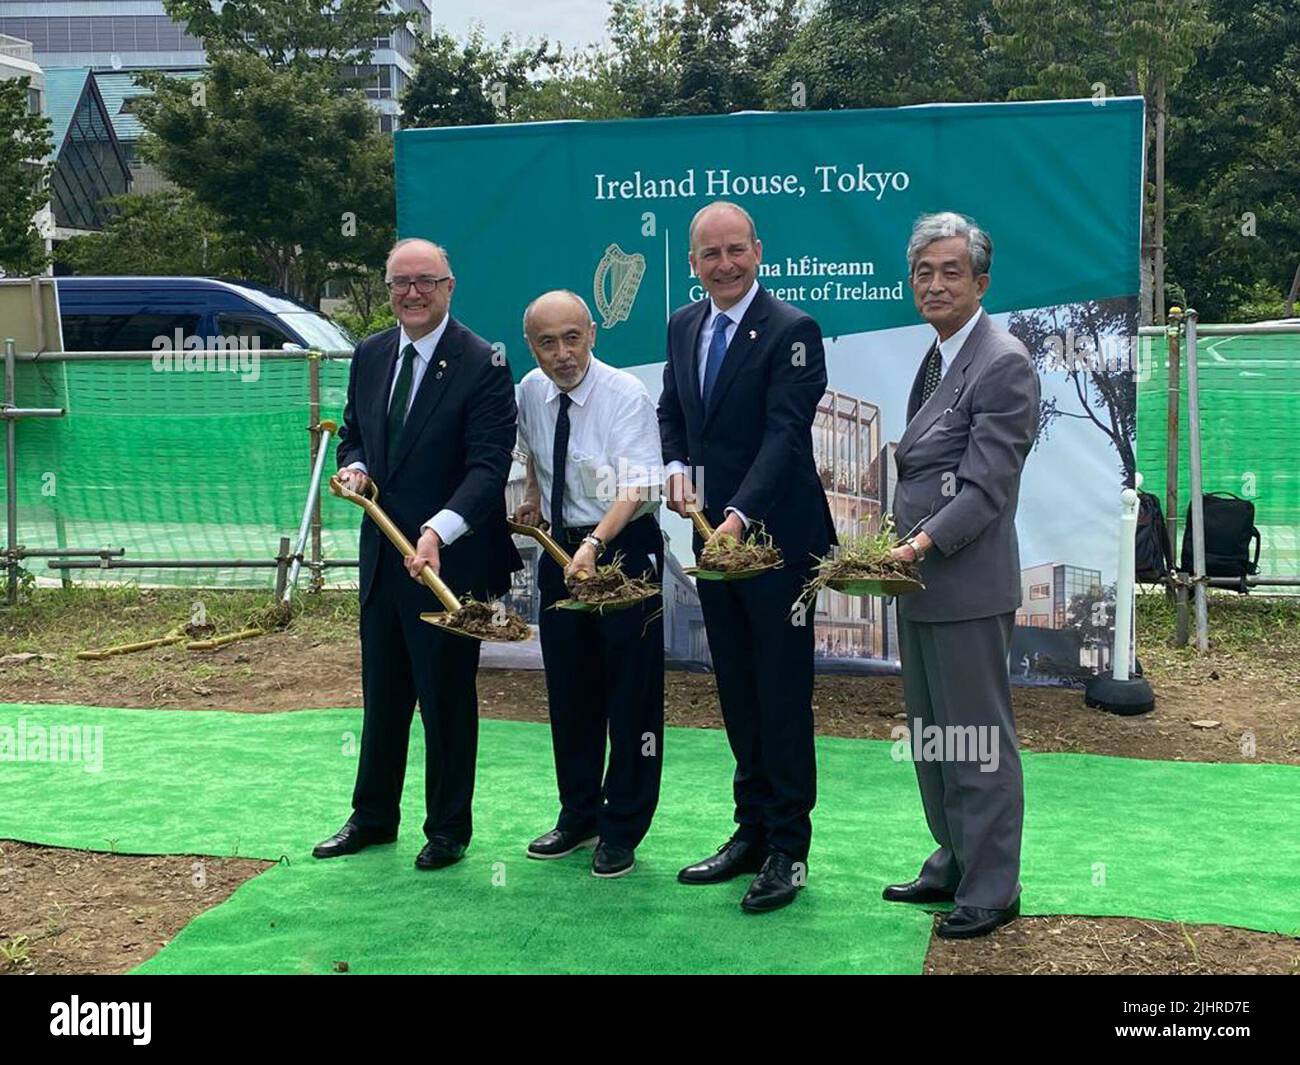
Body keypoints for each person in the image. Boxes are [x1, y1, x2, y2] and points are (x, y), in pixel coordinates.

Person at [313, 237, 521, 870]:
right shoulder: (371, 354)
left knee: (446, 699)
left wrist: (438, 531)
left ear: (449, 287)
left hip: (448, 565)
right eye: (400, 282)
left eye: (425, 281)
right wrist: (353, 467)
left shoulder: (483, 362)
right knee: (384, 694)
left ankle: (449, 828)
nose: (412, 293)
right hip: (382, 558)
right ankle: (373, 816)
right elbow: (356, 434)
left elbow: (488, 468)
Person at [658, 201, 835, 913]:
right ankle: (751, 830)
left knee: (782, 694)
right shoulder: (682, 325)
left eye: (736, 250)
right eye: (710, 253)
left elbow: (785, 436)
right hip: (712, 544)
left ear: (758, 251)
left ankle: (789, 847)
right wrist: (673, 464)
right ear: (693, 262)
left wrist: (737, 515)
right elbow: (673, 409)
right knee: (735, 685)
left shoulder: (794, 332)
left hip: (778, 546)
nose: (725, 264)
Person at [882, 212, 1040, 938]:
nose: (935, 282)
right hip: (918, 588)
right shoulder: (941, 352)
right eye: (924, 270)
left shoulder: (1002, 360)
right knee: (931, 734)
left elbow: (985, 489)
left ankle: (992, 887)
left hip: (962, 585)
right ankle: (952, 855)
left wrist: (916, 546)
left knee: (975, 737)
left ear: (981, 281)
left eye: (951, 271)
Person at [513, 290, 665, 879]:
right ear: (532, 346)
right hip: (560, 548)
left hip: (623, 546)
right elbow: (534, 453)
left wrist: (595, 545)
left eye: (572, 338)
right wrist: (531, 494)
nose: (562, 354)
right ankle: (579, 815)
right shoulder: (529, 390)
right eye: (547, 342)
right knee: (569, 690)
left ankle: (622, 826)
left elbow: (637, 488)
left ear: (593, 333)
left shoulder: (626, 394)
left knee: (630, 693)